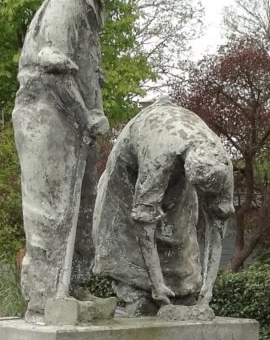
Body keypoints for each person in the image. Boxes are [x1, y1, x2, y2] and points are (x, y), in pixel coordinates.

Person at [12, 0, 146, 318]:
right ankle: (45, 299)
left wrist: (92, 116)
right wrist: (87, 116)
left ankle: (73, 287)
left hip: (74, 125)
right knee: (50, 210)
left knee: (83, 208)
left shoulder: (91, 9)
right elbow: (53, 70)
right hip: (49, 119)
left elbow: (87, 74)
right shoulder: (66, 6)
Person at [91, 103, 236, 318]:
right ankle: (139, 295)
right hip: (129, 167)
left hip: (179, 158)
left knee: (179, 230)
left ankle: (183, 294)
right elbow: (144, 221)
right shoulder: (159, 155)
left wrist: (207, 294)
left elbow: (217, 227)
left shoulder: (222, 165)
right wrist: (157, 285)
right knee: (123, 231)